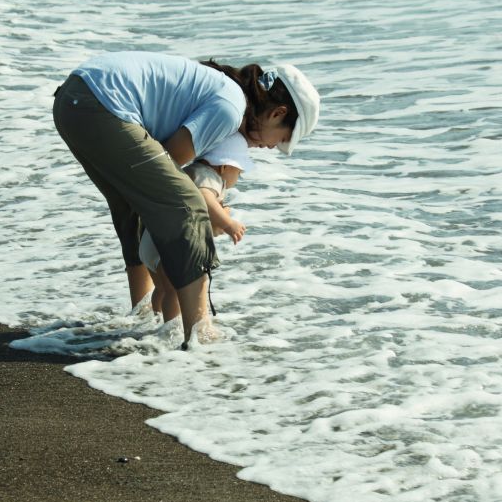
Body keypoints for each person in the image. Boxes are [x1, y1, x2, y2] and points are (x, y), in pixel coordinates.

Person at [52, 51, 320, 346]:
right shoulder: (231, 107)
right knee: (189, 205)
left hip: (74, 100)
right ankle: (199, 336)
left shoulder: (224, 91)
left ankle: (140, 317)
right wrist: (214, 215)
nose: (271, 148)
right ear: (277, 113)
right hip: (100, 104)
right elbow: (173, 160)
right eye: (281, 140)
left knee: (133, 204)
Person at [139, 132, 253, 323]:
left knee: (163, 289)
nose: (238, 177)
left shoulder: (191, 171)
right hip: (166, 245)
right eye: (239, 172)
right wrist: (228, 224)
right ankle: (169, 330)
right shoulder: (208, 176)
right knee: (174, 292)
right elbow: (205, 198)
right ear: (224, 166)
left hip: (151, 241)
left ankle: (155, 321)